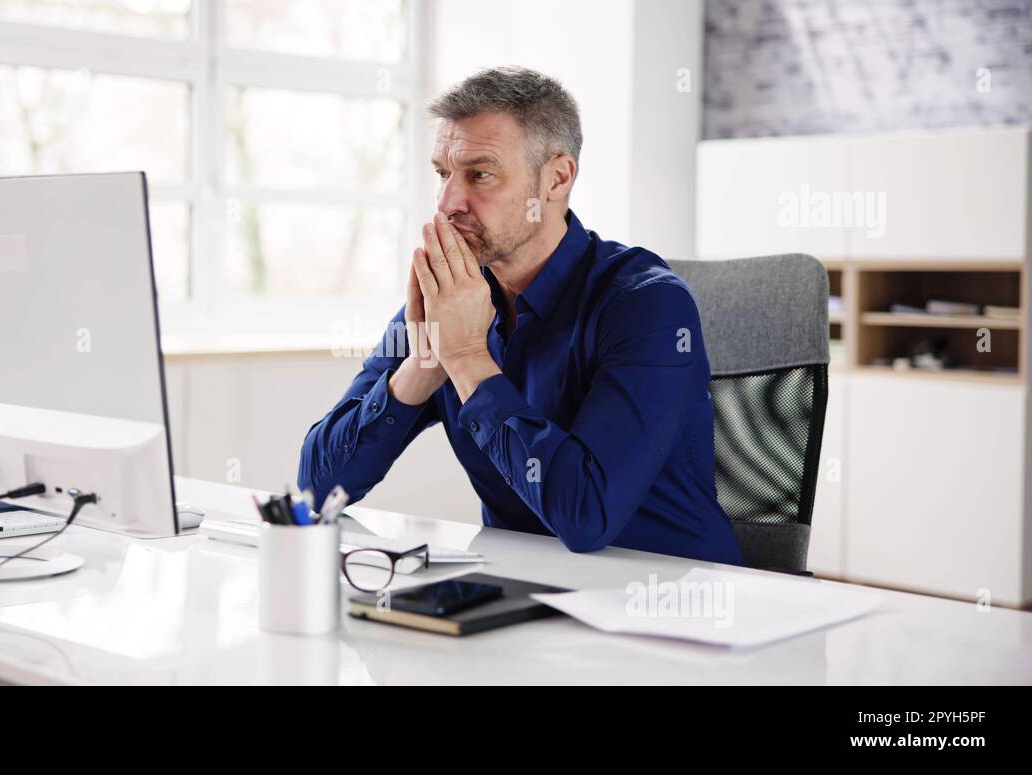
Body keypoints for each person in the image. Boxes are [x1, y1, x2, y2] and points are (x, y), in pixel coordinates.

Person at [298, 66, 742, 565]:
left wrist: (466, 358)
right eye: (443, 174)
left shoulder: (649, 304)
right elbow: (317, 489)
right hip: (522, 598)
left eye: (479, 174)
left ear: (556, 179)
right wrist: (426, 360)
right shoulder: (451, 299)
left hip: (670, 603)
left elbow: (586, 517)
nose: (447, 203)